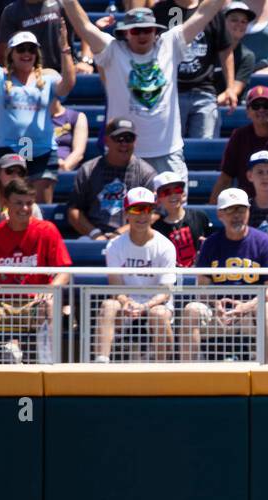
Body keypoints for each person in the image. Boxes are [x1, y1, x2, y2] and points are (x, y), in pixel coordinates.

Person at [61, 0, 230, 180]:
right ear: (126, 33)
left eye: (147, 30)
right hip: (124, 154)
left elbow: (204, 13)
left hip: (167, 153)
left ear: (156, 31)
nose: (142, 35)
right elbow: (84, 25)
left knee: (175, 208)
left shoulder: (170, 44)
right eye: (136, 30)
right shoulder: (112, 50)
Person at [0, 11, 76, 204]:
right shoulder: (0, 78)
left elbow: (68, 85)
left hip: (42, 151)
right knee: (6, 209)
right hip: (8, 152)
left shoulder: (48, 79)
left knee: (40, 212)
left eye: (31, 49)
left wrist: (65, 48)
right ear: (11, 54)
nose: (27, 53)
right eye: (21, 49)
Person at [0, 177, 71, 363]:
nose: (24, 208)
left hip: (35, 303)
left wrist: (49, 290)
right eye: (19, 203)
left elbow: (64, 272)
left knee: (49, 305)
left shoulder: (47, 230)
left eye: (29, 203)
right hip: (2, 306)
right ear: (7, 204)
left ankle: (47, 367)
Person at [187, 186, 268, 362]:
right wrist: (215, 303)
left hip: (253, 308)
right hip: (218, 309)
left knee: (267, 309)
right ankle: (190, 372)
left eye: (241, 209)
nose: (236, 215)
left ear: (248, 211)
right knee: (191, 309)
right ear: (220, 215)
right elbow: (202, 285)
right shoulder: (211, 243)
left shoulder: (264, 242)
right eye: (230, 210)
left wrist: (247, 306)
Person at [96, 186, 177, 363]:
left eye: (147, 210)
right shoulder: (115, 246)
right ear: (127, 214)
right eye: (136, 209)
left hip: (156, 303)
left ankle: (162, 369)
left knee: (158, 314)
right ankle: (101, 364)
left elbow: (165, 290)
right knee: (108, 305)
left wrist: (146, 306)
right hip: (127, 304)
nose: (142, 216)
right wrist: (128, 302)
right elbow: (116, 287)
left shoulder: (165, 246)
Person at [153, 0, 234, 140]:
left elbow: (225, 50)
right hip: (170, 92)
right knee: (170, 148)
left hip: (204, 91)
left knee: (205, 147)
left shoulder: (210, 11)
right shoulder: (159, 10)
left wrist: (230, 88)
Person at [67, 118, 159, 241]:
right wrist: (95, 234)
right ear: (107, 140)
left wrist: (120, 234)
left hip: (132, 236)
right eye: (119, 139)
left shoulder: (146, 173)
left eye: (128, 139)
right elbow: (74, 210)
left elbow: (155, 213)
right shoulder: (89, 170)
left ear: (135, 141)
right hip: (93, 235)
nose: (124, 144)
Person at [212, 85, 268, 200]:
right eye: (256, 106)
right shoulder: (239, 136)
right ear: (248, 112)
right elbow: (226, 177)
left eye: (266, 105)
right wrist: (211, 211)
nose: (261, 110)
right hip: (247, 207)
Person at [152, 170, 212, 268]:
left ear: (183, 193)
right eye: (166, 192)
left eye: (177, 190)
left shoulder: (199, 216)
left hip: (198, 274)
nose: (173, 195)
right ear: (158, 198)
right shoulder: (156, 228)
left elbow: (211, 243)